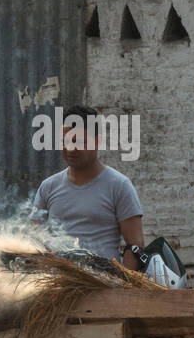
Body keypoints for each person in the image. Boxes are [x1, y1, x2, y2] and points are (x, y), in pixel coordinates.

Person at [32, 104, 145, 270]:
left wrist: (123, 289)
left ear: (97, 141)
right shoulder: (48, 187)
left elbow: (135, 246)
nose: (70, 148)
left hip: (104, 286)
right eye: (65, 141)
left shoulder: (119, 186)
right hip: (57, 286)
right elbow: (35, 240)